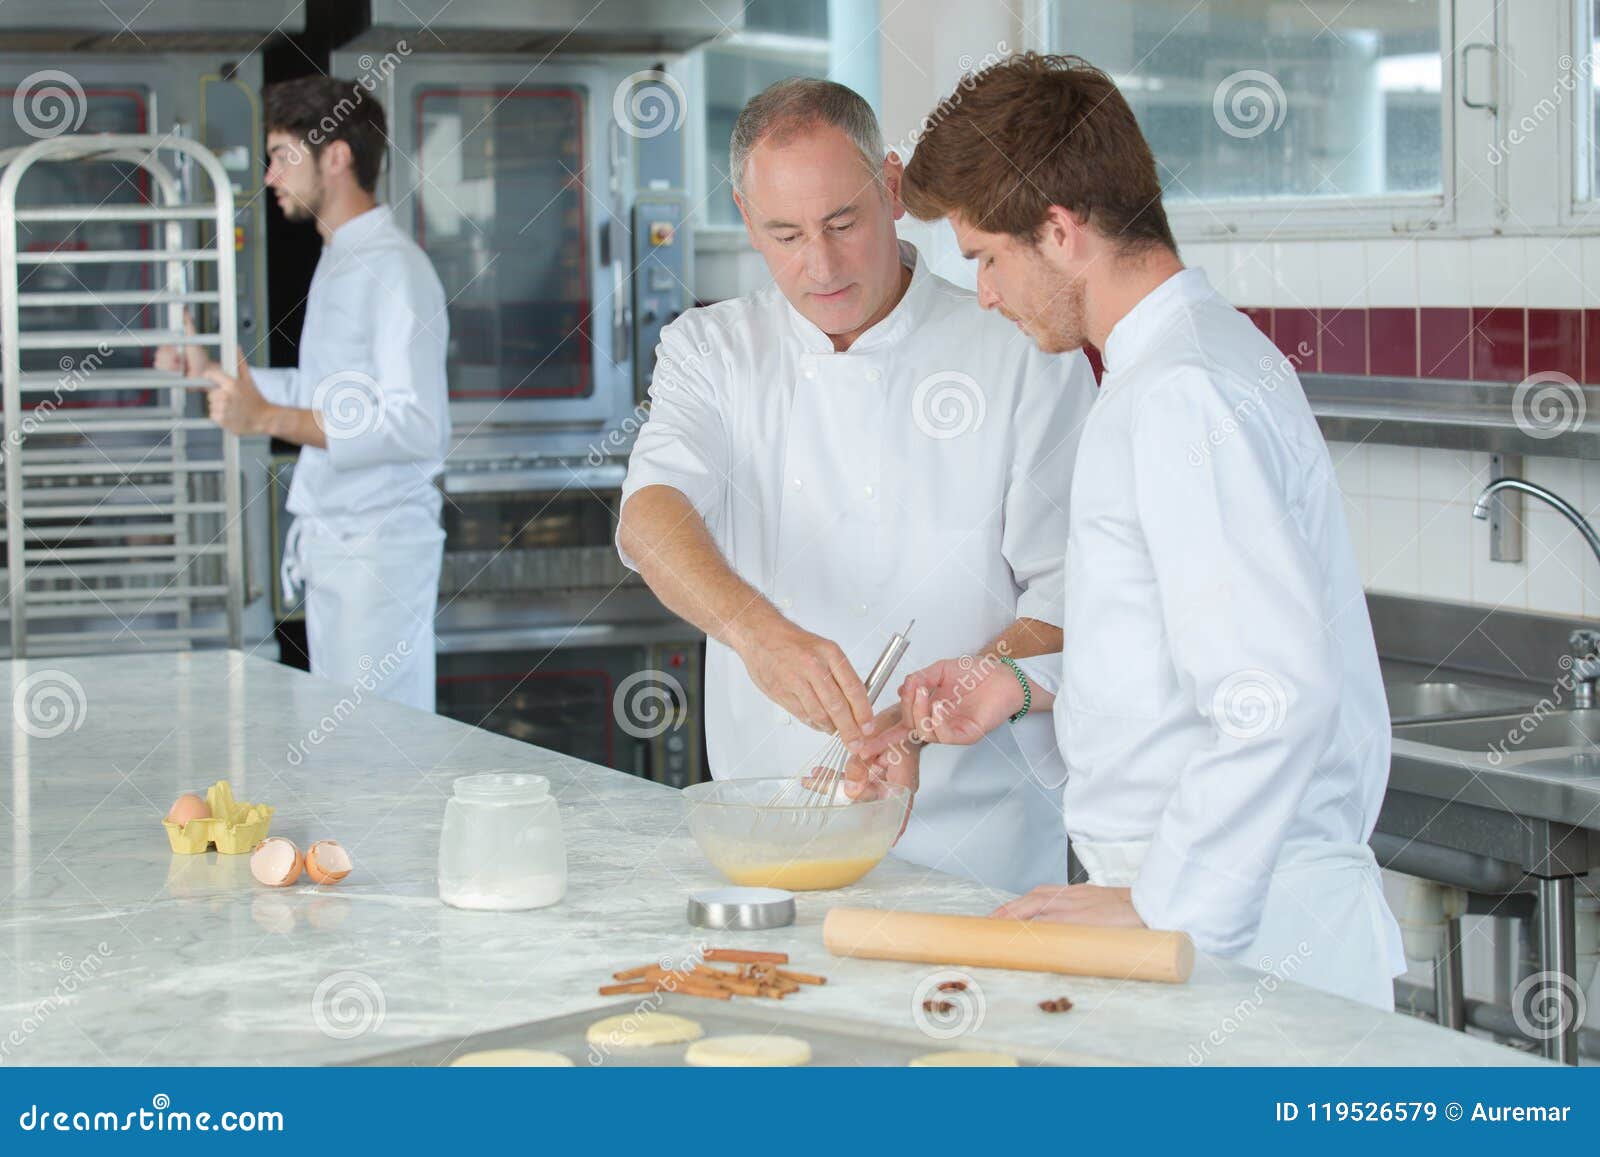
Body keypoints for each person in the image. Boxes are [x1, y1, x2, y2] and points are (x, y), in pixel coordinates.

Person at [850, 54, 1405, 1008]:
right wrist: (1018, 687)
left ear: (1060, 233)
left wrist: (1162, 907)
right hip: (1198, 917)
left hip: (1246, 938)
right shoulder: (1169, 370)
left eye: (985, 256)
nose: (982, 292)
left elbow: (1275, 689)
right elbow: (1174, 655)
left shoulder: (1183, 393)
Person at [617, 78, 1096, 894]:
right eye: (787, 233)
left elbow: (1066, 607)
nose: (822, 265)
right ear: (744, 216)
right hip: (774, 841)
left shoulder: (1018, 350)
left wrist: (918, 727)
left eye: (843, 222)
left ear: (894, 187)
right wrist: (755, 631)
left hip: (976, 851)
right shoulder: (711, 349)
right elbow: (649, 518)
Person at [157, 77, 450, 712]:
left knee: (379, 749)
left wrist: (264, 415)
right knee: (345, 745)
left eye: (283, 155)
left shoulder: (395, 269)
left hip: (378, 549)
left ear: (337, 156)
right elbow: (333, 396)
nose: (269, 177)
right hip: (338, 541)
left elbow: (416, 424)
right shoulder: (340, 258)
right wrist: (220, 374)